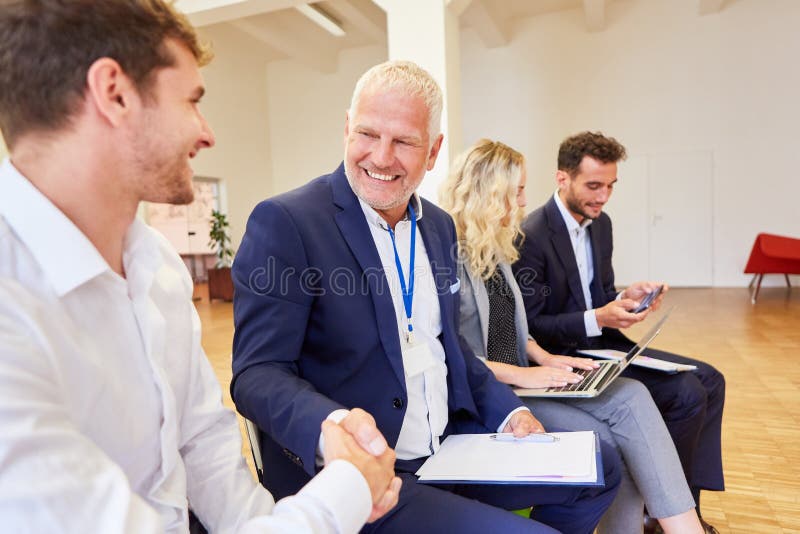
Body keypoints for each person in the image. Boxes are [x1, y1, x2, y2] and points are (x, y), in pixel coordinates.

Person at [0, 1, 401, 532]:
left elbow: (203, 447)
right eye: (191, 101)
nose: (206, 133)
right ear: (114, 93)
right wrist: (352, 485)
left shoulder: (157, 266)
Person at [232, 60, 621, 533]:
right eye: (367, 134)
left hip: (451, 447)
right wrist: (332, 427)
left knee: (603, 464)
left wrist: (510, 411)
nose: (380, 157)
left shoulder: (437, 226)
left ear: (433, 151)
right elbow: (257, 373)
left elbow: (449, 347)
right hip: (370, 477)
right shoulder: (287, 222)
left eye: (404, 142)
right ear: (346, 130)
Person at [439, 138, 703, 534]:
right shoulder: (445, 257)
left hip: (526, 376)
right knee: (604, 441)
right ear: (489, 196)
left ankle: (684, 528)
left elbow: (514, 328)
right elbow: (450, 355)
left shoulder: (497, 247)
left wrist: (544, 358)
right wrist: (524, 374)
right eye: (517, 191)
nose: (525, 201)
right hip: (492, 392)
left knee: (632, 395)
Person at [512, 131, 725, 533]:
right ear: (562, 178)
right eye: (594, 185)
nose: (603, 196)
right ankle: (664, 515)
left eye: (610, 186)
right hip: (566, 354)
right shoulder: (532, 235)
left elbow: (598, 295)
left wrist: (626, 297)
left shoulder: (600, 224)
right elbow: (534, 325)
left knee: (711, 380)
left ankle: (680, 509)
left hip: (606, 345)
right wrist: (599, 317)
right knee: (685, 394)